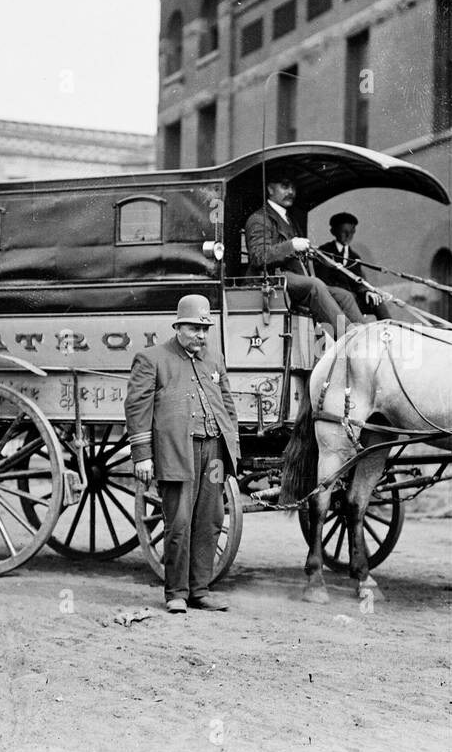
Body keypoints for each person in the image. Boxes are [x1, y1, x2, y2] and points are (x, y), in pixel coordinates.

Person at [126, 294, 240, 614]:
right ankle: (176, 592)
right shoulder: (152, 359)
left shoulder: (213, 359)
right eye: (194, 329)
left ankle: (200, 591)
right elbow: (137, 409)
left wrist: (232, 448)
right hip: (178, 453)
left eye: (205, 329)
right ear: (178, 327)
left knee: (212, 518)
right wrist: (142, 455)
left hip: (215, 453)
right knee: (179, 521)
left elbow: (227, 405)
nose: (201, 336)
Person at [244, 167, 365, 337]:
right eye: (285, 186)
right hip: (272, 278)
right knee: (315, 285)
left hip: (293, 278)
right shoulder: (259, 219)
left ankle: (366, 336)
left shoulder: (289, 219)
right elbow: (258, 256)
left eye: (293, 187)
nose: (291, 192)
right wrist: (291, 245)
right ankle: (350, 338)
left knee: (344, 295)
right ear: (270, 189)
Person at [316, 212, 393, 321]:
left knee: (376, 300)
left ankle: (391, 331)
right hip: (333, 300)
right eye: (344, 232)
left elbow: (358, 281)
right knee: (349, 299)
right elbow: (322, 280)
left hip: (352, 299)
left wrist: (367, 292)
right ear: (333, 232)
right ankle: (360, 333)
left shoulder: (354, 256)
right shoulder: (324, 252)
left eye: (352, 232)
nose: (349, 235)